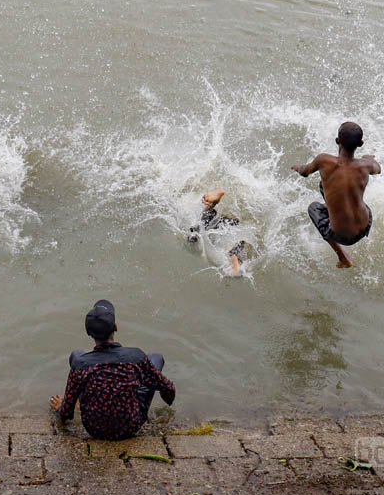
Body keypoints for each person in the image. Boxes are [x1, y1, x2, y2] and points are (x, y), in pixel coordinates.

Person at [49, 300, 176, 440]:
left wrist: (60, 409)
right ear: (115, 327)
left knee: (76, 355)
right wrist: (166, 398)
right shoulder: (136, 357)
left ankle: (85, 398)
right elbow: (169, 388)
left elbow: (66, 413)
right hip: (130, 427)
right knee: (156, 357)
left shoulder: (80, 365)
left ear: (88, 332)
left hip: (94, 429)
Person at [292, 122, 381, 268]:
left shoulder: (323, 160)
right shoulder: (366, 165)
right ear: (360, 144)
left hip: (342, 236)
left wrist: (297, 167)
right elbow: (378, 169)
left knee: (313, 208)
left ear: (337, 140)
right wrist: (369, 159)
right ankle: (343, 215)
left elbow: (305, 172)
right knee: (345, 191)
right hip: (366, 225)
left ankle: (343, 257)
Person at [187, 188, 249, 276]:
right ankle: (235, 262)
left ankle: (211, 206)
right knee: (199, 231)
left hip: (228, 226)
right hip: (231, 227)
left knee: (197, 233)